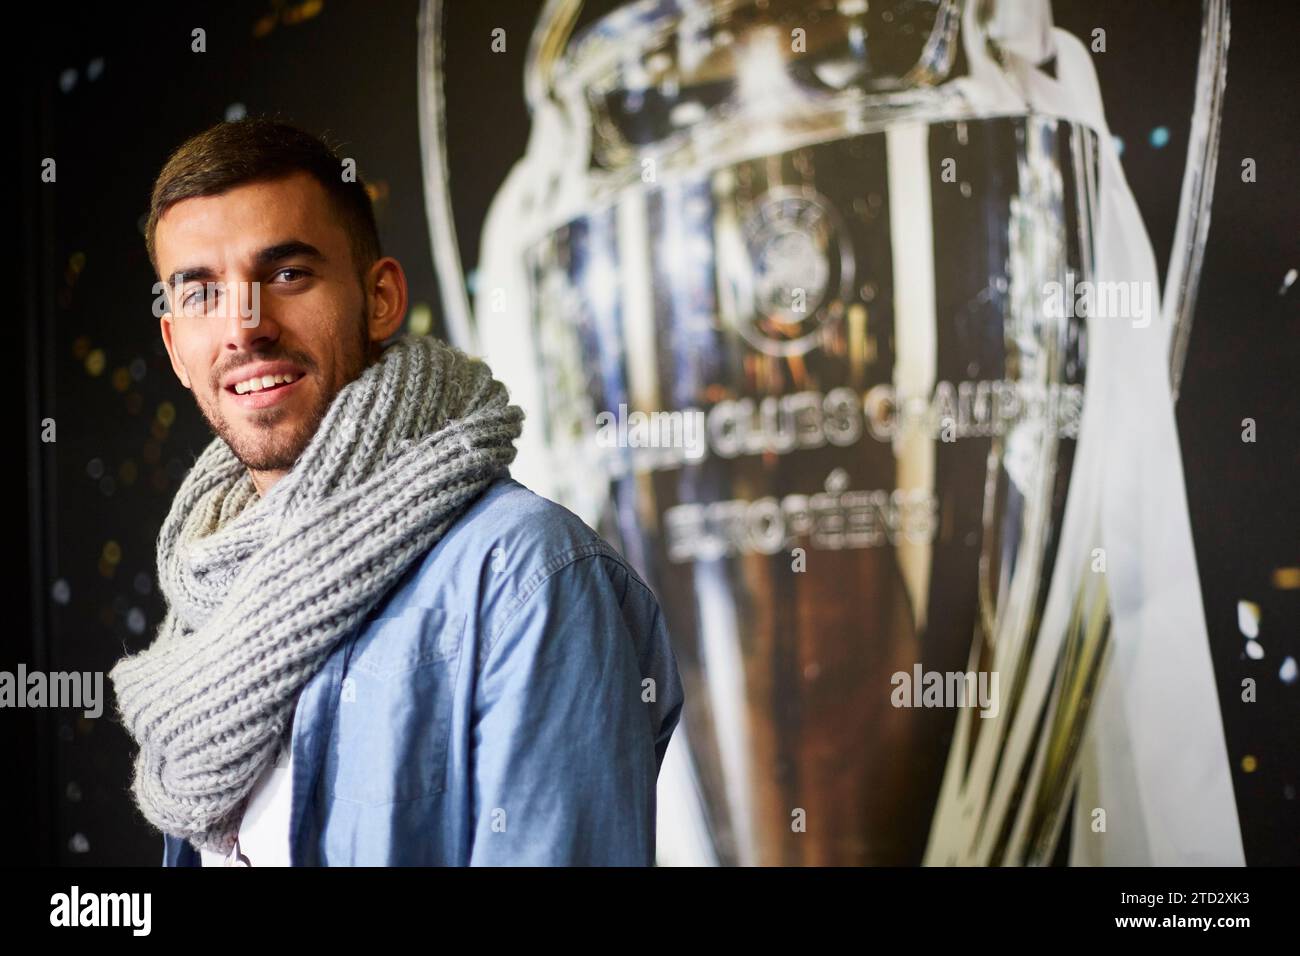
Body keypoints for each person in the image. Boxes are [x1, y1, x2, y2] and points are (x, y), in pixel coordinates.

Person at [107, 117, 684, 866]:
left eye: (286, 274)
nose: (244, 329)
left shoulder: (526, 576)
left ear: (380, 299)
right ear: (175, 347)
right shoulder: (212, 589)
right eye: (201, 294)